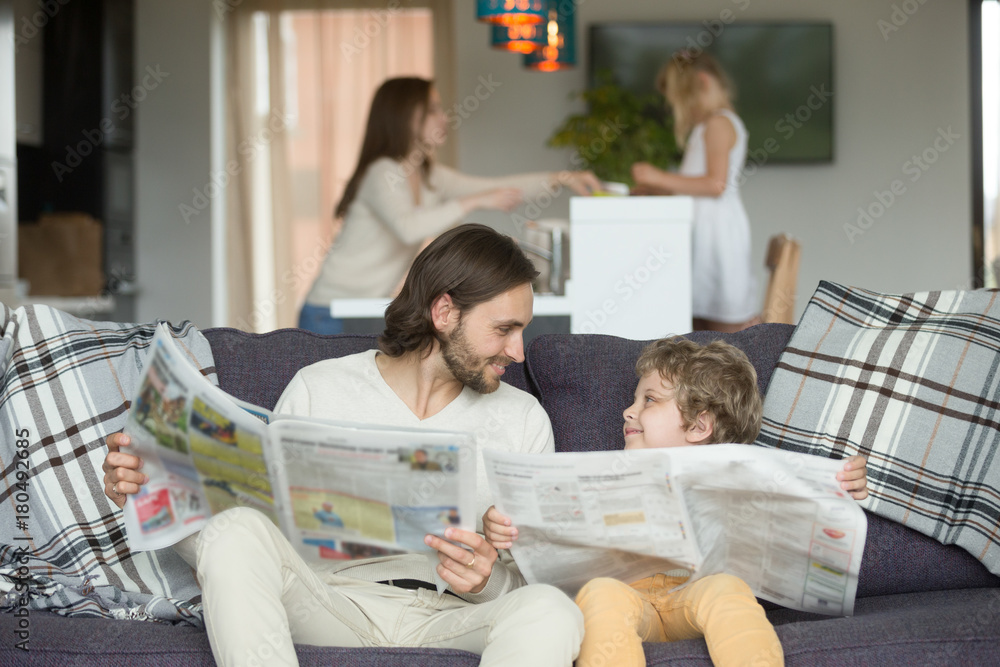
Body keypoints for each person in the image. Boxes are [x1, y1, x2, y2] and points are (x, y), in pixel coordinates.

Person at [102, 224, 585, 667]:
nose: (518, 352)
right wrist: (149, 486)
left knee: (551, 609)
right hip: (331, 603)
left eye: (523, 331)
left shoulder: (523, 419)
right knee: (236, 528)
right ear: (443, 313)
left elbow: (529, 584)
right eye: (504, 329)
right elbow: (244, 538)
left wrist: (486, 579)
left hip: (450, 616)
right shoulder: (320, 387)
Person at [483, 337, 870, 667]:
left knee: (727, 589)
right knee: (600, 593)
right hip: (631, 599)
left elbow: (796, 521)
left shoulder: (742, 477)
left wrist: (837, 489)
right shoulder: (603, 470)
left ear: (700, 426)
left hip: (692, 596)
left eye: (649, 400)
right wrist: (510, 526)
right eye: (634, 399)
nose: (628, 410)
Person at [299, 76, 602, 334]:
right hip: (328, 312)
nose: (444, 118)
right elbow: (408, 228)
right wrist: (471, 202)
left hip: (359, 309)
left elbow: (497, 188)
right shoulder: (384, 172)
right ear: (403, 115)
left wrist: (562, 178)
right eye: (432, 110)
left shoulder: (429, 176)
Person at [630, 51, 758, 333]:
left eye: (682, 99)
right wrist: (659, 189)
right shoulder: (706, 127)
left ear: (702, 83)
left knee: (725, 334)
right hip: (706, 236)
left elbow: (715, 184)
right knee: (701, 332)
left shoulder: (718, 123)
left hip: (718, 238)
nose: (683, 109)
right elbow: (695, 185)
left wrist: (659, 176)